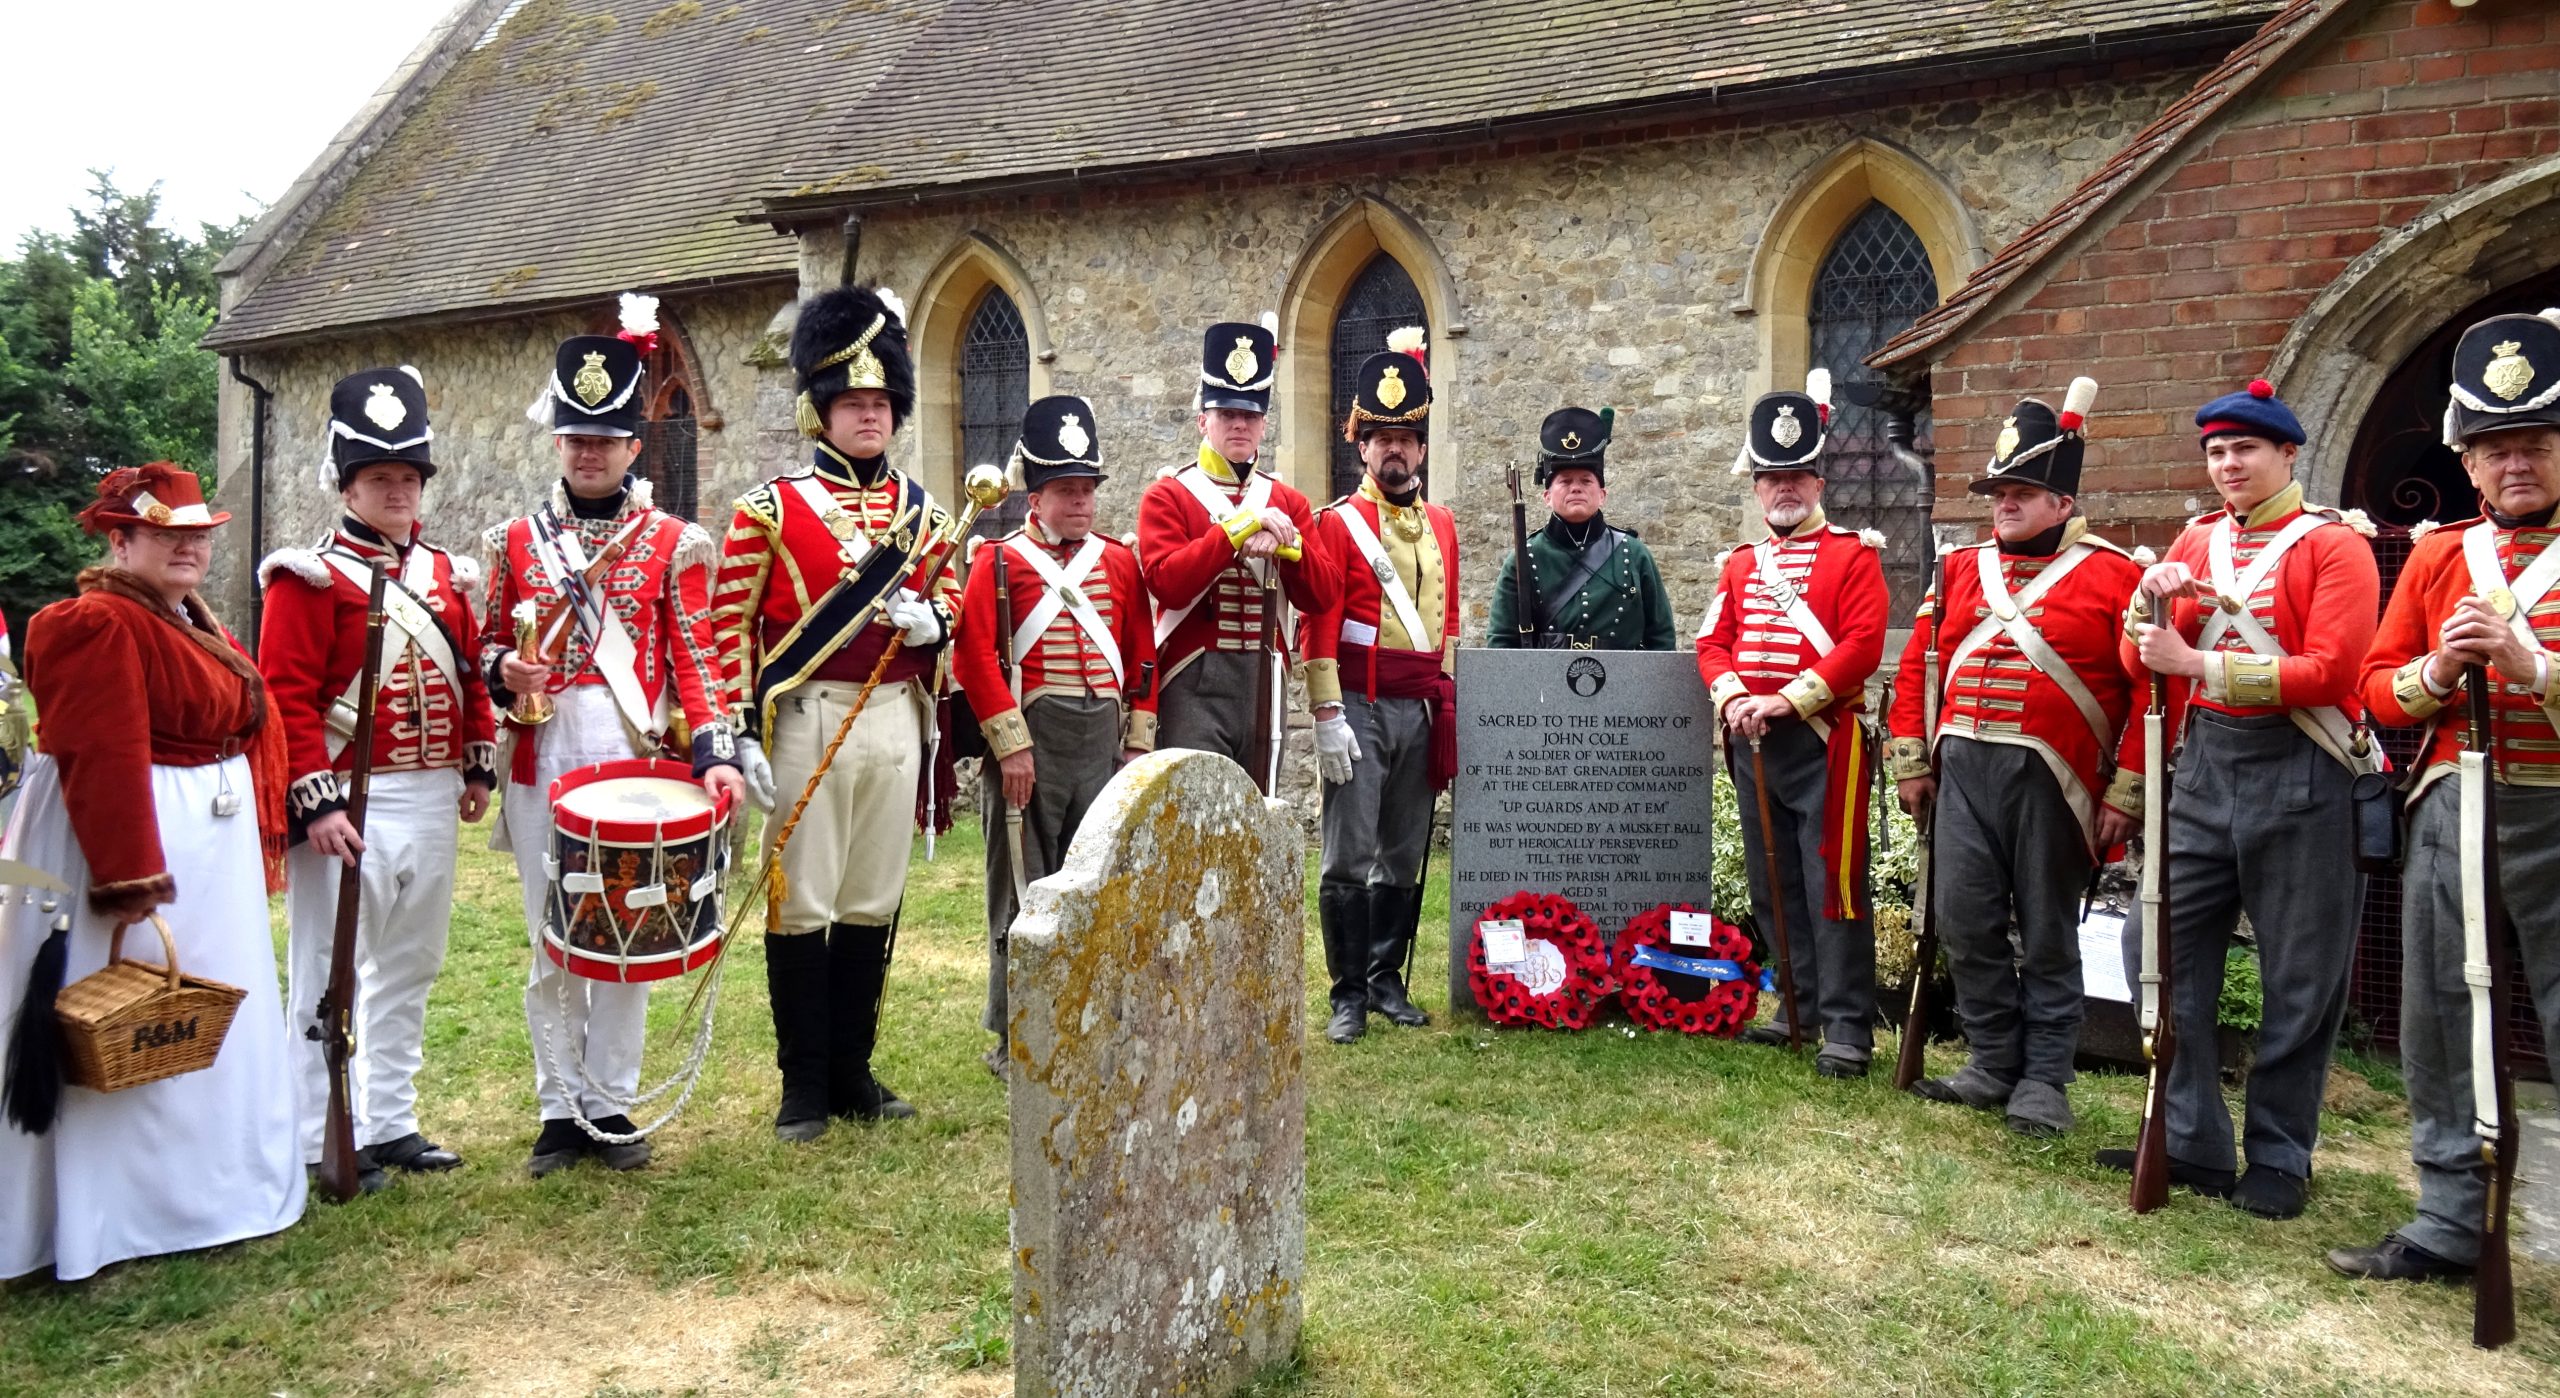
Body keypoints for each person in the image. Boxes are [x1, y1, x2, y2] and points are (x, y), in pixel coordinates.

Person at [0, 462, 305, 1280]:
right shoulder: (93, 622)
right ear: (120, 540)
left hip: (204, 843)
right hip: (140, 839)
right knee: (125, 1005)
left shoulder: (183, 618)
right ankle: (117, 1216)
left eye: (197, 535)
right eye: (163, 534)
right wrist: (129, 875)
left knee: (201, 1004)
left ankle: (206, 1193)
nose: (188, 548)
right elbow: (99, 756)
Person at [2097, 377, 2380, 1219]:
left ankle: (2281, 1155)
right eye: (2217, 451)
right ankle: (2192, 1138)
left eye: (2245, 448)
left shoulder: (2335, 546)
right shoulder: (2195, 540)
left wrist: (2198, 665)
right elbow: (2139, 661)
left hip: (2305, 766)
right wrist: (2147, 606)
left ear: (2287, 453)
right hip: (2207, 763)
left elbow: (2331, 671)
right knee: (2157, 946)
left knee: (2301, 974)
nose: (2228, 464)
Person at [481, 303, 744, 1177]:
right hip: (541, 751)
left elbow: (696, 656)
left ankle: (612, 1102)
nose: (588, 453)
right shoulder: (515, 543)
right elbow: (487, 644)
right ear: (557, 443)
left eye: (604, 440)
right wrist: (503, 671)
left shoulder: (671, 542)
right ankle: (559, 1108)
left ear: (635, 447)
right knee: (553, 932)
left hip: (634, 754)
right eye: (575, 439)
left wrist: (715, 752)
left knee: (629, 926)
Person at [2329, 310, 2560, 1282]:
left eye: (2535, 443)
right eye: (2495, 449)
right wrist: (2434, 672)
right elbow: (2376, 686)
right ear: (2467, 463)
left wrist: (2530, 667)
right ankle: (2448, 1216)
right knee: (2437, 1012)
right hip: (2451, 802)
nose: (2516, 464)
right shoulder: (2437, 555)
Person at [710, 284, 956, 1141]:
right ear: (820, 412)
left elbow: (958, 604)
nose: (870, 416)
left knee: (871, 898)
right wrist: (739, 730)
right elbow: (729, 628)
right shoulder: (768, 510)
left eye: (881, 404)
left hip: (894, 716)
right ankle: (804, 1084)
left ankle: (854, 1070)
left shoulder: (926, 515)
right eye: (853, 403)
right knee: (803, 901)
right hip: (807, 717)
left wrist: (936, 623)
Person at [259, 366, 496, 1191]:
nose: (397, 491)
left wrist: (477, 758)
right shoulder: (308, 578)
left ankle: (390, 1121)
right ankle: (316, 1138)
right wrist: (316, 800)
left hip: (430, 795)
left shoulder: (447, 576)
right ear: (348, 486)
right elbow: (285, 699)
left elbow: (468, 676)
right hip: (349, 803)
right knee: (328, 978)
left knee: (410, 965)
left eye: (408, 477)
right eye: (379, 477)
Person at [1885, 382, 2143, 1134]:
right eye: (2000, 494)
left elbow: (2148, 693)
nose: (2005, 506)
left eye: (2021, 494)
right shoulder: (1960, 569)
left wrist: (2125, 792)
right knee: (1965, 921)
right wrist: (1911, 760)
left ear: (2062, 502)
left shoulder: (2116, 576)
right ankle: (1993, 1060)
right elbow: (1918, 667)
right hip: (1962, 770)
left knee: (2048, 932)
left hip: (2056, 779)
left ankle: (2045, 1078)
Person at [951, 395, 1157, 1075]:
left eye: (1088, 489)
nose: (1082, 502)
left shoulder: (1119, 562)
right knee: (1022, 888)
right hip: (1031, 742)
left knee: (1096, 886)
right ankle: (1015, 1031)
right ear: (1035, 498)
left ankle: (1088, 1020)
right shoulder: (998, 562)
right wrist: (1011, 746)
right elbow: (974, 657)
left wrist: (1137, 744)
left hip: (1100, 742)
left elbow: (1142, 654)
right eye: (1067, 491)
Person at [1694, 371, 1889, 1078]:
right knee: (1771, 876)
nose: (1785, 490)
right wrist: (1734, 698)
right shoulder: (1741, 565)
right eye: (1773, 479)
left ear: (1818, 483)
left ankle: (1847, 1027)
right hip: (1753, 742)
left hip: (1825, 742)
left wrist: (1787, 700)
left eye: (1797, 477)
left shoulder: (1854, 555)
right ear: (1756, 489)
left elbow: (1863, 646)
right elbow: (1712, 642)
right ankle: (1796, 1006)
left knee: (1832, 882)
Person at [1301, 334, 1457, 1044]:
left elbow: (1446, 623)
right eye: (1382, 439)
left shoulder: (1443, 525)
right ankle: (1348, 994)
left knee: (1403, 848)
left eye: (1406, 440)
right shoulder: (1336, 524)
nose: (1395, 451)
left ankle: (1388, 980)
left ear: (1420, 450)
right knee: (1349, 853)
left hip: (1419, 705)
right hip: (1359, 704)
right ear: (1361, 446)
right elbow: (1319, 621)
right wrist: (1327, 711)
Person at [1135, 319, 1337, 784]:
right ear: (1203, 420)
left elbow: (1324, 594)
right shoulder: (1169, 495)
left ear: (1264, 424)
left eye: (1250, 415)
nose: (1239, 424)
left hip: (1266, 673)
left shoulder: (1288, 502)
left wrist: (1290, 546)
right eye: (1226, 413)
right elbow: (1168, 581)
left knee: (1258, 809)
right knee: (1195, 806)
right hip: (1194, 673)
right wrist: (1237, 530)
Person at [1484, 406, 1676, 650]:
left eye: (1586, 481)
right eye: (1565, 481)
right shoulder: (1524, 558)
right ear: (1546, 497)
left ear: (1602, 495)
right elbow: (1500, 643)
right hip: (1543, 674)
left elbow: (1662, 640)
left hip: (1623, 674)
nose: (1576, 488)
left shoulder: (1635, 554)